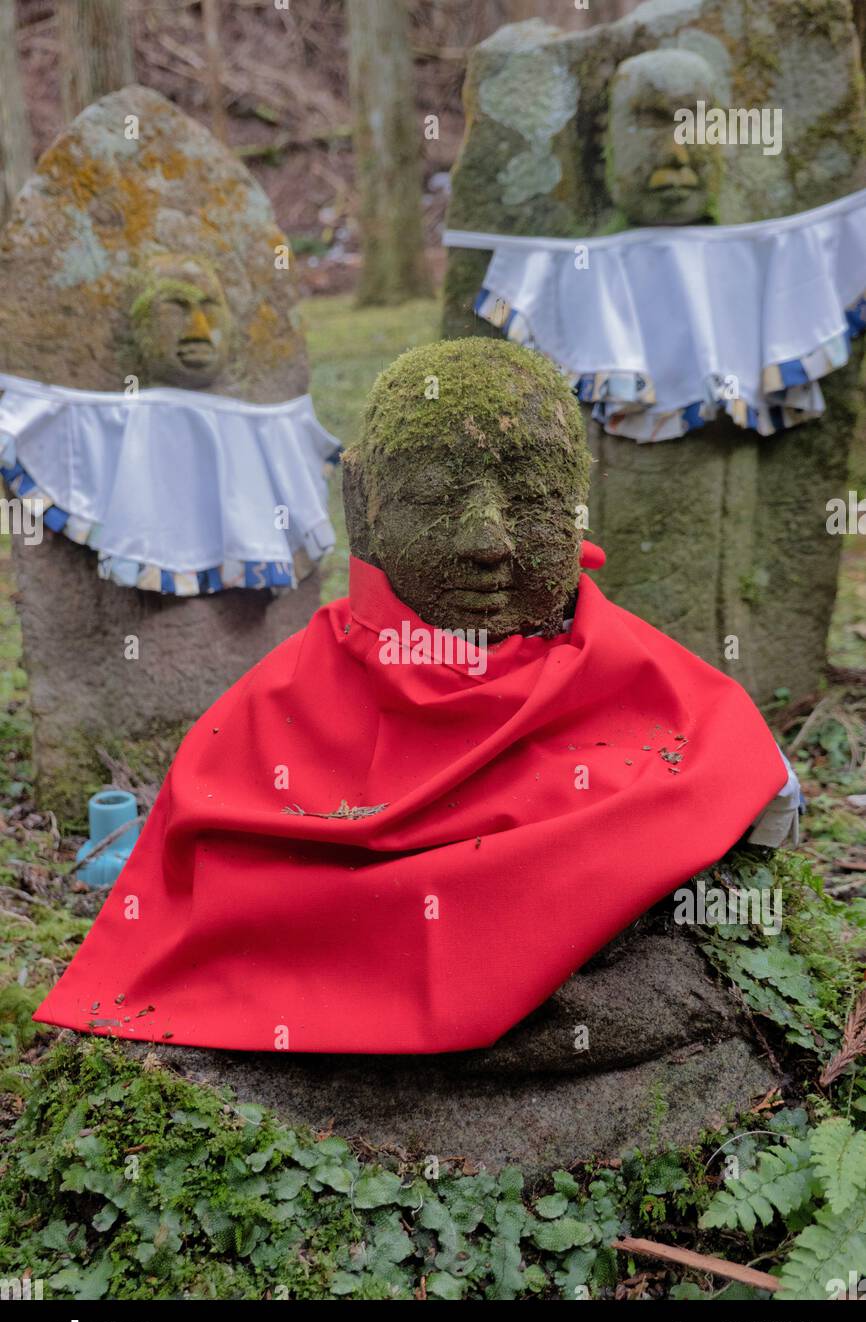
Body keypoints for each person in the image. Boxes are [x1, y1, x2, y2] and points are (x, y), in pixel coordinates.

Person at [34, 339, 796, 1054]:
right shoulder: (284, 709)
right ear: (361, 503)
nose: (488, 540)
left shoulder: (643, 684)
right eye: (436, 498)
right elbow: (212, 867)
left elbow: (732, 767)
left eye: (533, 499)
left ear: (576, 505)